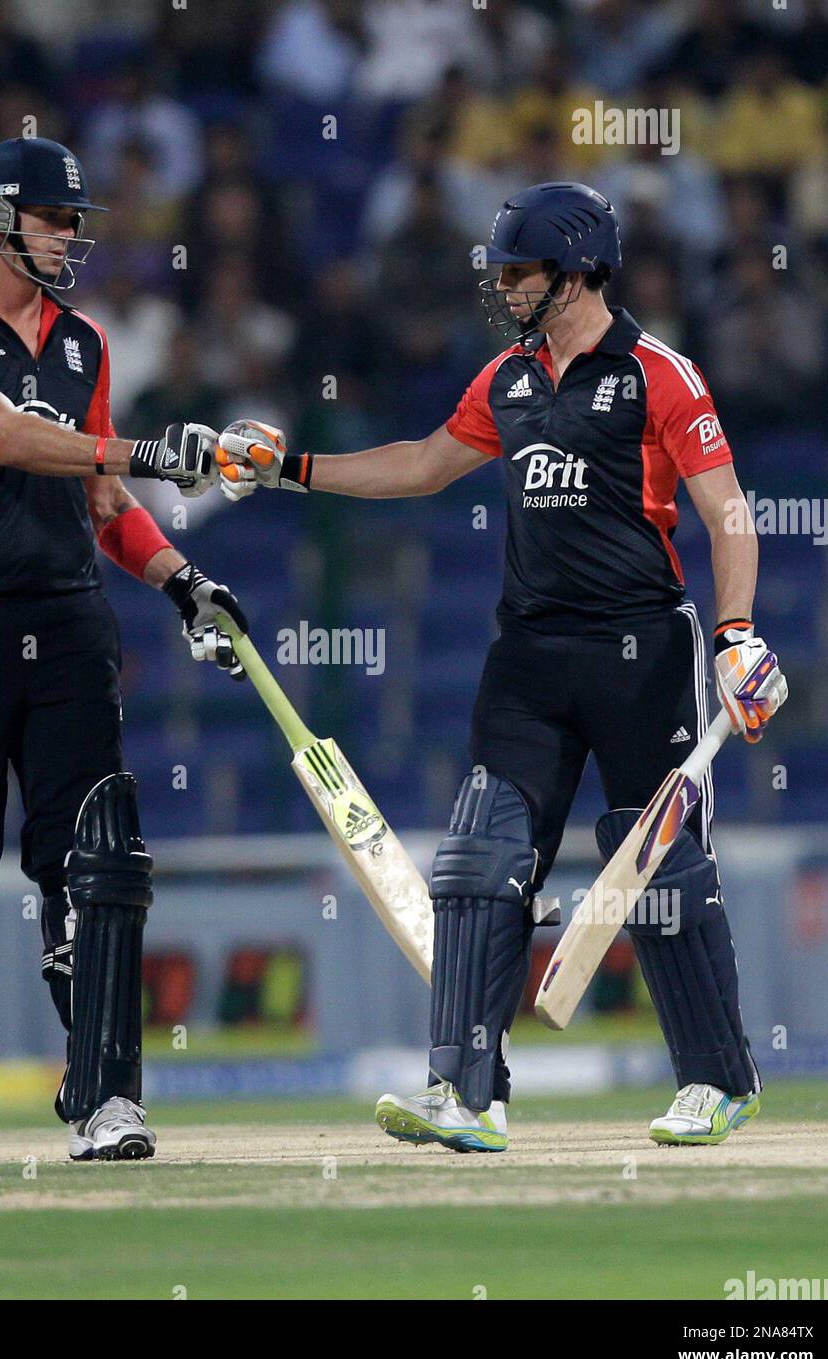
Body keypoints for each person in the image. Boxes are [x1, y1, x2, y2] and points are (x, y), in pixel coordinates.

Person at [216, 182, 788, 1150]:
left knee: (654, 866)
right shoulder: (508, 378)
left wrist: (734, 634)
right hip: (527, 651)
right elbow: (422, 464)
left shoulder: (660, 374)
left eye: (519, 271)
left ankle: (716, 1082)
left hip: (641, 648)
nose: (504, 287)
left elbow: (727, 511)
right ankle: (468, 1093)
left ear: (578, 269)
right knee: (481, 862)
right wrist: (289, 468)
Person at [0, 136, 253, 1165]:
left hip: (73, 625)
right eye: (54, 219)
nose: (71, 237)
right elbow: (3, 435)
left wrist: (182, 584)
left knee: (97, 866)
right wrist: (153, 447)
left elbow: (102, 499)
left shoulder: (85, 346)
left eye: (76, 221)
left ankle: (108, 1099)